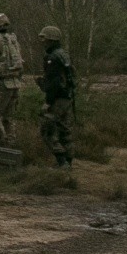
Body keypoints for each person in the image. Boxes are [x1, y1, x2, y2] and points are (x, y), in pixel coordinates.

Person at [37, 25, 78, 168]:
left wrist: (48, 102)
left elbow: (54, 83)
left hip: (58, 99)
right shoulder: (64, 55)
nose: (42, 42)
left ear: (51, 40)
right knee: (65, 130)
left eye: (44, 39)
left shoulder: (52, 58)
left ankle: (61, 161)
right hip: (67, 97)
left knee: (46, 130)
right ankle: (68, 161)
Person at [0, 13, 25, 137]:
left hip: (2, 83)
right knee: (9, 117)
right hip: (15, 82)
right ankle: (11, 140)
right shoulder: (13, 40)